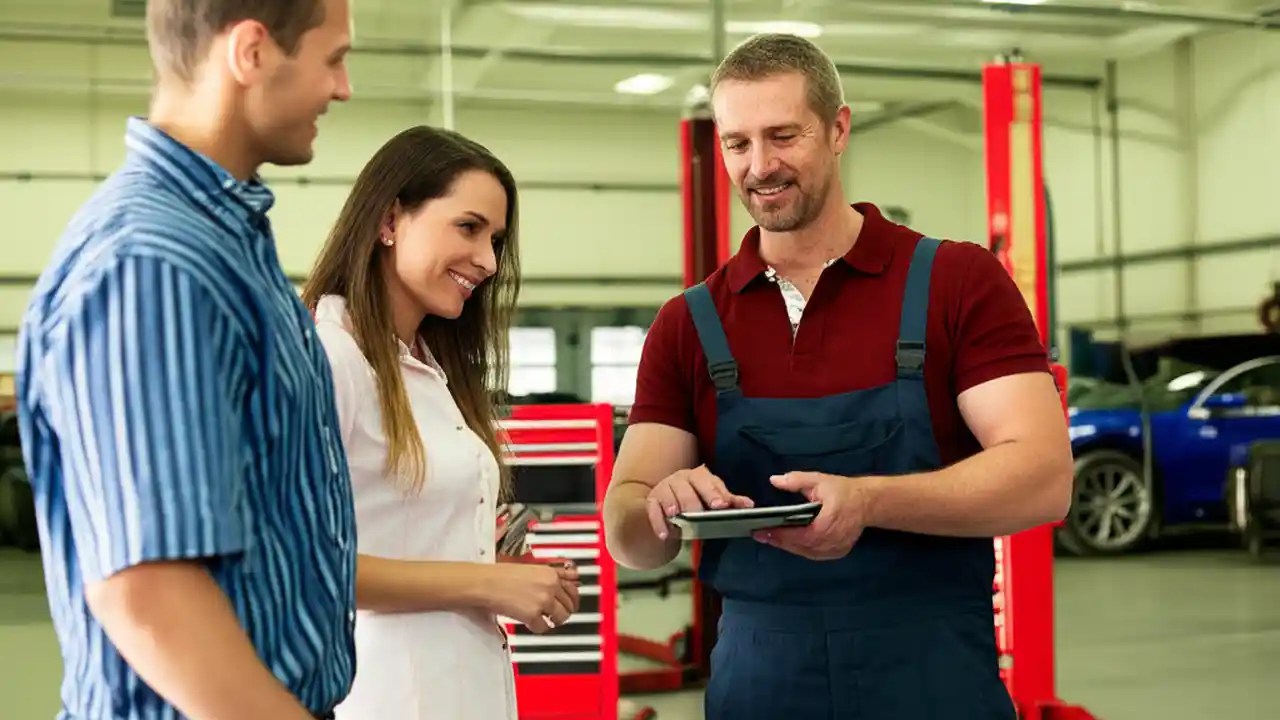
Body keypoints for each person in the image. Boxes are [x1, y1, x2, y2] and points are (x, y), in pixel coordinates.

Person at [602, 33, 1074, 720]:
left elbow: (1045, 478)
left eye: (783, 136)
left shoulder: (956, 282)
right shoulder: (687, 323)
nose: (760, 166)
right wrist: (662, 505)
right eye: (737, 143)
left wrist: (869, 503)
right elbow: (627, 534)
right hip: (758, 680)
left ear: (838, 129)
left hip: (932, 671)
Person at [14, 1, 355, 718]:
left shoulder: (227, 243)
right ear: (252, 53)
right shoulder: (154, 262)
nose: (343, 88)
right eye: (333, 59)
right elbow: (150, 592)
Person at [301, 125, 581, 720]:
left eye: (496, 239)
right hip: (386, 695)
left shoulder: (428, 366)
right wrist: (486, 584)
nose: (488, 260)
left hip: (466, 687)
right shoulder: (330, 359)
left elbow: (402, 538)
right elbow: (306, 567)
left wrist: (508, 575)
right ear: (389, 220)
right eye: (468, 227)